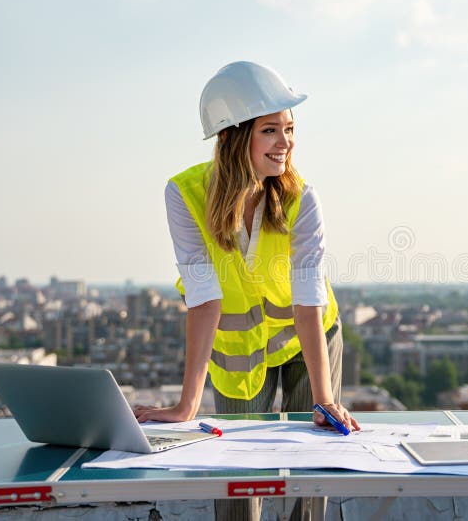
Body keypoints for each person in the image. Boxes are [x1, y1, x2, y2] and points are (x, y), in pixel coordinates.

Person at [133, 61, 359, 520]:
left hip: (308, 339)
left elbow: (307, 299)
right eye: (271, 130)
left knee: (311, 473)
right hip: (237, 355)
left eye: (289, 129)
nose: (286, 143)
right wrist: (186, 406)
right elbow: (203, 296)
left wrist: (325, 399)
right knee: (236, 481)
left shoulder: (301, 198)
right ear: (235, 137)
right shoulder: (185, 194)